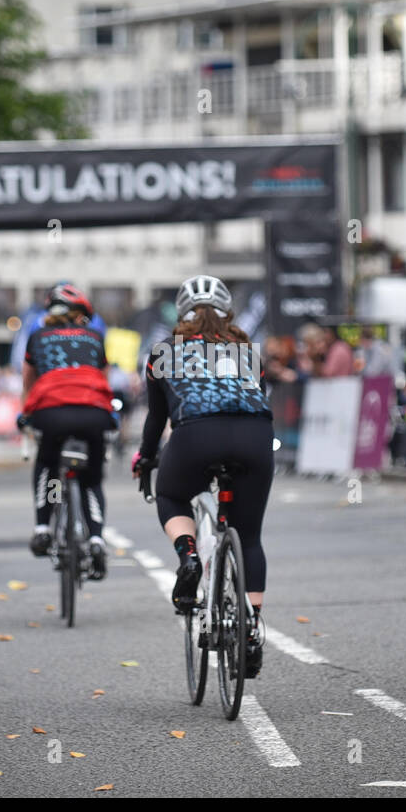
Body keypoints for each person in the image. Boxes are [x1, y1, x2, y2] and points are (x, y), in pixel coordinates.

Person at [131, 275, 273, 678]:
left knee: (172, 496)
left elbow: (157, 420)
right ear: (228, 312)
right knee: (249, 537)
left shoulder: (163, 351)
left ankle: (188, 555)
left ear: (181, 313)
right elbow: (260, 399)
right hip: (255, 439)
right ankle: (250, 630)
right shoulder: (247, 350)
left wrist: (145, 460)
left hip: (195, 437)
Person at [20, 284, 115, 579]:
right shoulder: (95, 338)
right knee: (92, 477)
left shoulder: (36, 338)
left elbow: (28, 383)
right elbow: (105, 382)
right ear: (79, 316)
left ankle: (42, 528)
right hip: (92, 413)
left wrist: (26, 417)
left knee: (47, 465)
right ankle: (97, 539)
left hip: (52, 414)